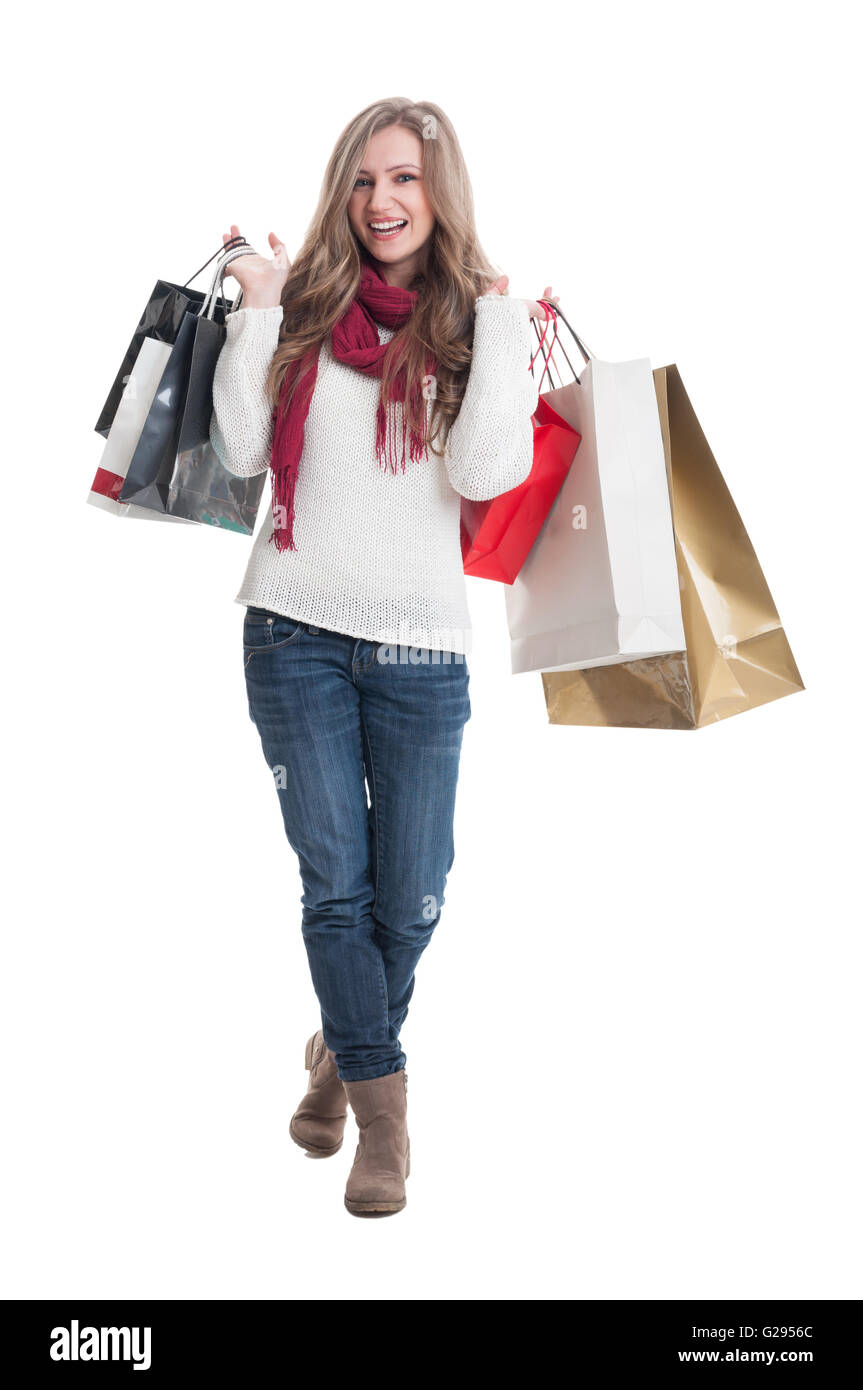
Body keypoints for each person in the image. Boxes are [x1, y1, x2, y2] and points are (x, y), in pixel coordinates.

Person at [210, 96, 557, 1217]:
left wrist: (503, 333)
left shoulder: (467, 322)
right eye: (363, 180)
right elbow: (239, 450)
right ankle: (382, 1119)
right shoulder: (305, 301)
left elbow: (485, 476)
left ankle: (337, 1047)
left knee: (408, 900)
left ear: (435, 191)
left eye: (402, 178)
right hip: (292, 629)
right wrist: (257, 312)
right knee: (335, 890)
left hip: (418, 649)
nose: (381, 201)